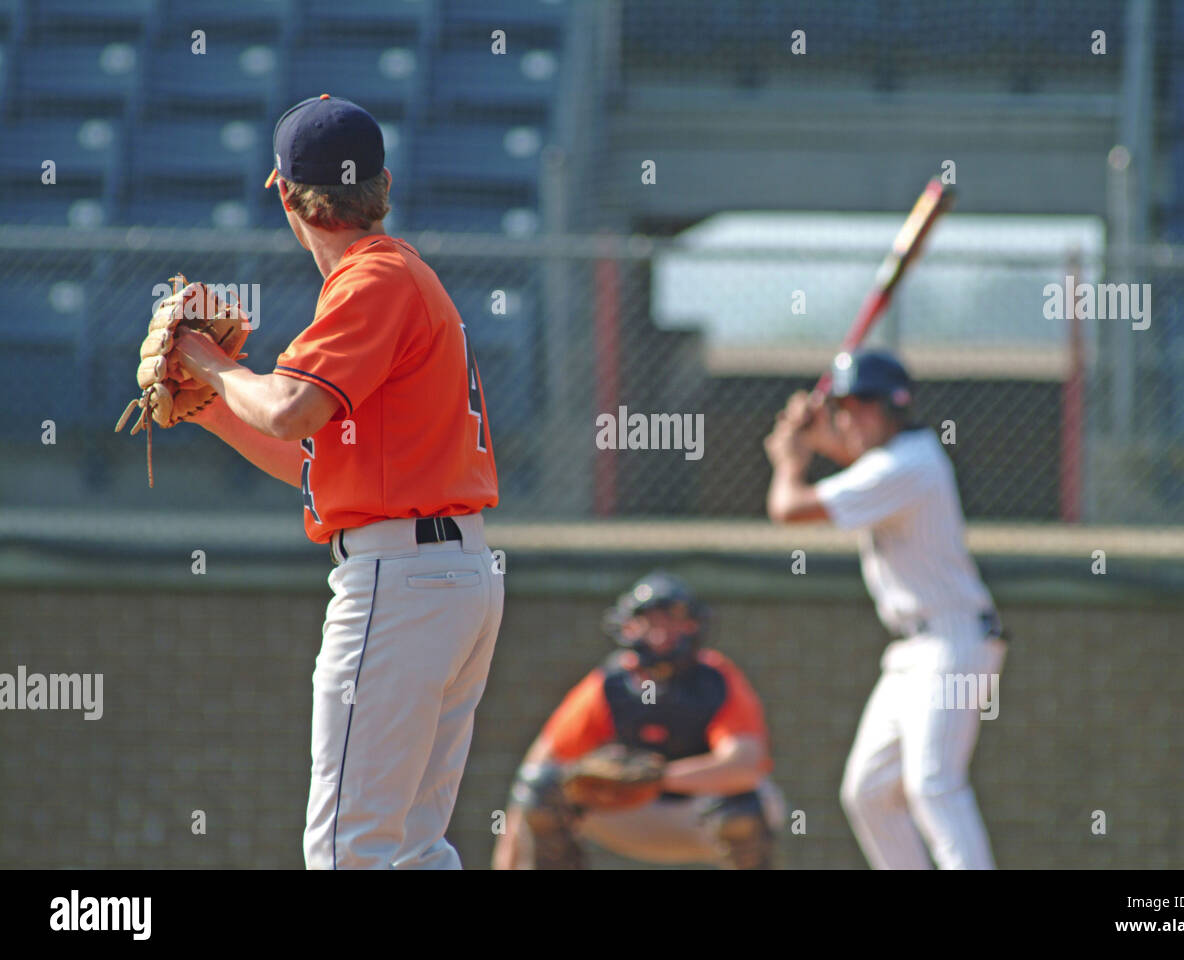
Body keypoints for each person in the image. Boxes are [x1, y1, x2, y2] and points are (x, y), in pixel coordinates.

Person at [173, 94, 504, 869]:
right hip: (445, 574)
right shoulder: (398, 279)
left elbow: (286, 409)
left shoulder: (371, 282)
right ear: (381, 184)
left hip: (401, 580)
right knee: (411, 848)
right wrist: (214, 410)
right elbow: (317, 462)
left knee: (345, 850)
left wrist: (217, 368)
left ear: (287, 196)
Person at [764, 348, 1006, 870]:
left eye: (864, 405)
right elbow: (860, 463)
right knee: (868, 792)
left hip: (954, 642)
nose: (852, 418)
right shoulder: (900, 460)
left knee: (933, 784)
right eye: (845, 407)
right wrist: (810, 436)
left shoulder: (908, 464)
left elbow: (789, 508)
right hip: (915, 649)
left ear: (896, 406)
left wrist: (791, 458)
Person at [492, 572, 783, 869]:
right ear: (627, 627)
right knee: (542, 789)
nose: (660, 634)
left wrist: (658, 777)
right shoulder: (609, 685)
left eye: (672, 621)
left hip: (700, 816)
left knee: (742, 810)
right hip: (629, 812)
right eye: (649, 622)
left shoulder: (716, 680)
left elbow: (745, 766)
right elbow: (530, 779)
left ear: (694, 625)